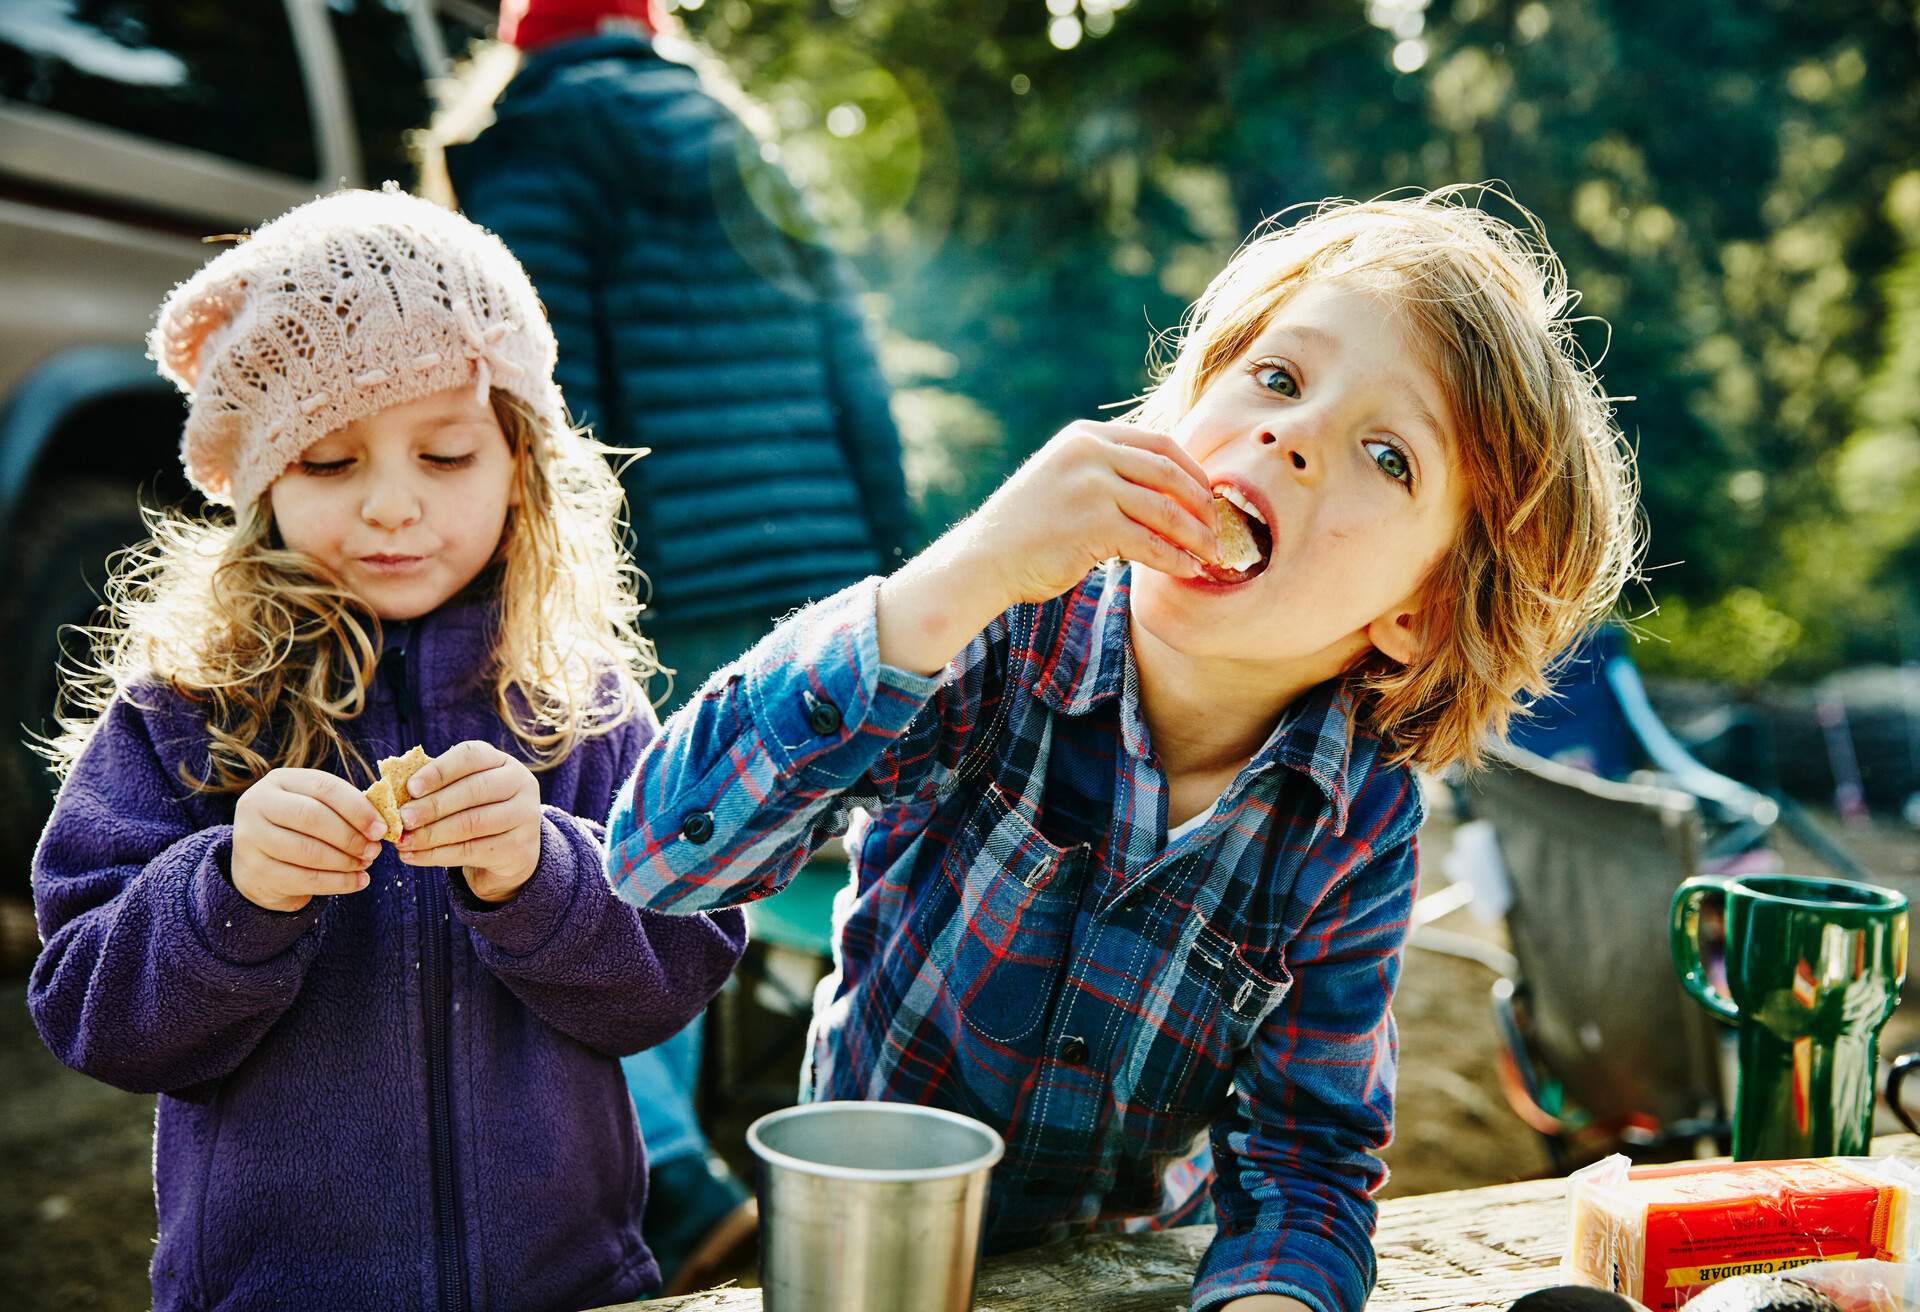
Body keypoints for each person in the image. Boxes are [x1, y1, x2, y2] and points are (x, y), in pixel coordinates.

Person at [600, 189, 1641, 1312]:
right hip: (879, 1261)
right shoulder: (992, 639)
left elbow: (1304, 1169)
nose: (1290, 436)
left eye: (1387, 454)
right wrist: (962, 573)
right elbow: (658, 861)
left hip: (1129, 1281)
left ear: (1419, 615)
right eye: (1277, 377)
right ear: (1178, 408)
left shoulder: (1357, 820)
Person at [26, 188, 747, 1312]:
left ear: (521, 462)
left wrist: (543, 875)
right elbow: (88, 1010)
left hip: (564, 1286)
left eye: (446, 454)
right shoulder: (189, 709)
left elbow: (674, 976)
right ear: (261, 483)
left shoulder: (581, 703)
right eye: (328, 462)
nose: (393, 508)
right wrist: (229, 893)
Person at [421, 0, 915, 1290]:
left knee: (641, 860)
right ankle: (876, 1148)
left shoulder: (534, 146)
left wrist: (552, 585)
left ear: (519, 48)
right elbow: (856, 371)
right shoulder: (748, 144)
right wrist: (894, 570)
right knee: (833, 854)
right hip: (823, 567)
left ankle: (678, 1187)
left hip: (668, 577)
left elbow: (546, 396)